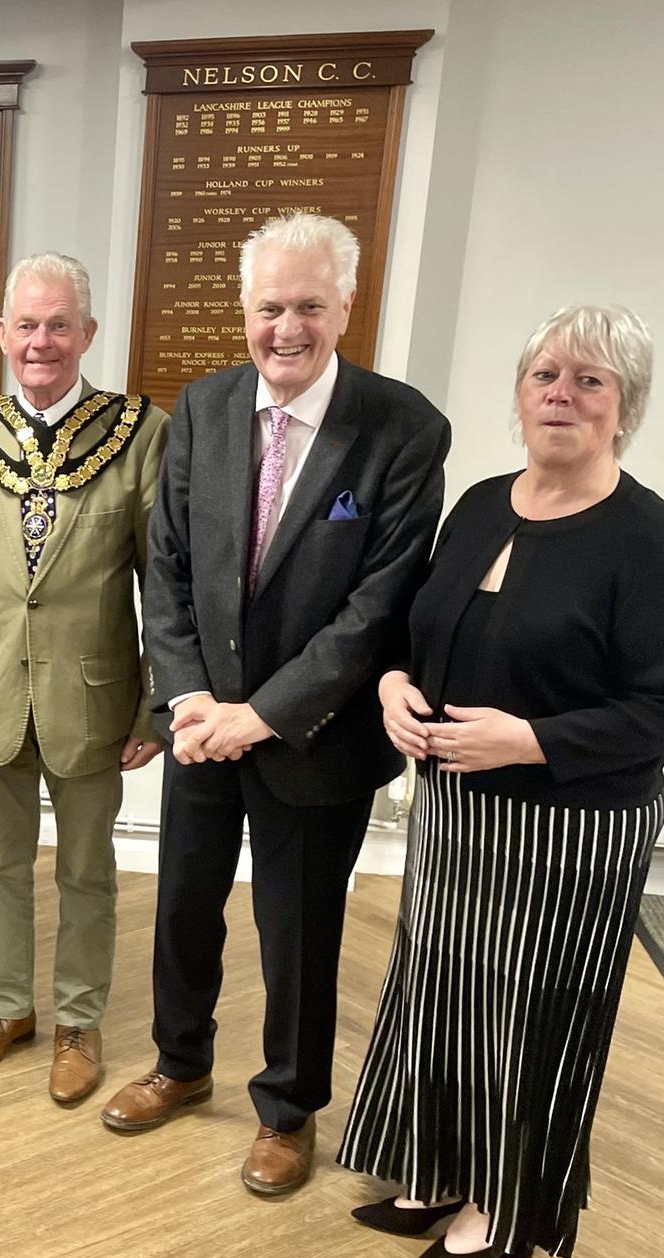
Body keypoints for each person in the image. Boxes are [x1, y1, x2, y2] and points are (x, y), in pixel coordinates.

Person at [338, 305, 664, 1258]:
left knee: (524, 1015)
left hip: (571, 831)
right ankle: (429, 1165)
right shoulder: (477, 505)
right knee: (440, 992)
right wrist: (388, 687)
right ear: (517, 393)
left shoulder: (645, 537)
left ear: (621, 409)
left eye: (589, 381)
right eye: (545, 375)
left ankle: (499, 1204)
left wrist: (530, 740)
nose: (561, 395)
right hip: (458, 812)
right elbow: (412, 635)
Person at [118, 213, 451, 1195]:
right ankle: (178, 1065)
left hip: (313, 737)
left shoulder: (400, 429)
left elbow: (375, 604)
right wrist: (186, 699)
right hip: (198, 728)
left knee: (296, 930)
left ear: (345, 307)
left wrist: (258, 714)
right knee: (181, 908)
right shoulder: (204, 407)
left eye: (308, 305)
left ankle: (286, 1107)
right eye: (269, 306)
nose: (285, 327)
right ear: (244, 309)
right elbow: (165, 565)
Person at [0, 252, 169, 1105]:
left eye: (59, 324)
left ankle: (77, 1018)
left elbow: (161, 581)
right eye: (26, 325)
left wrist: (156, 704)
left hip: (96, 699)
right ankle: (8, 1008)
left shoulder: (141, 430)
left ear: (88, 334)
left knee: (86, 870)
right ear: (2, 334)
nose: (42, 342)